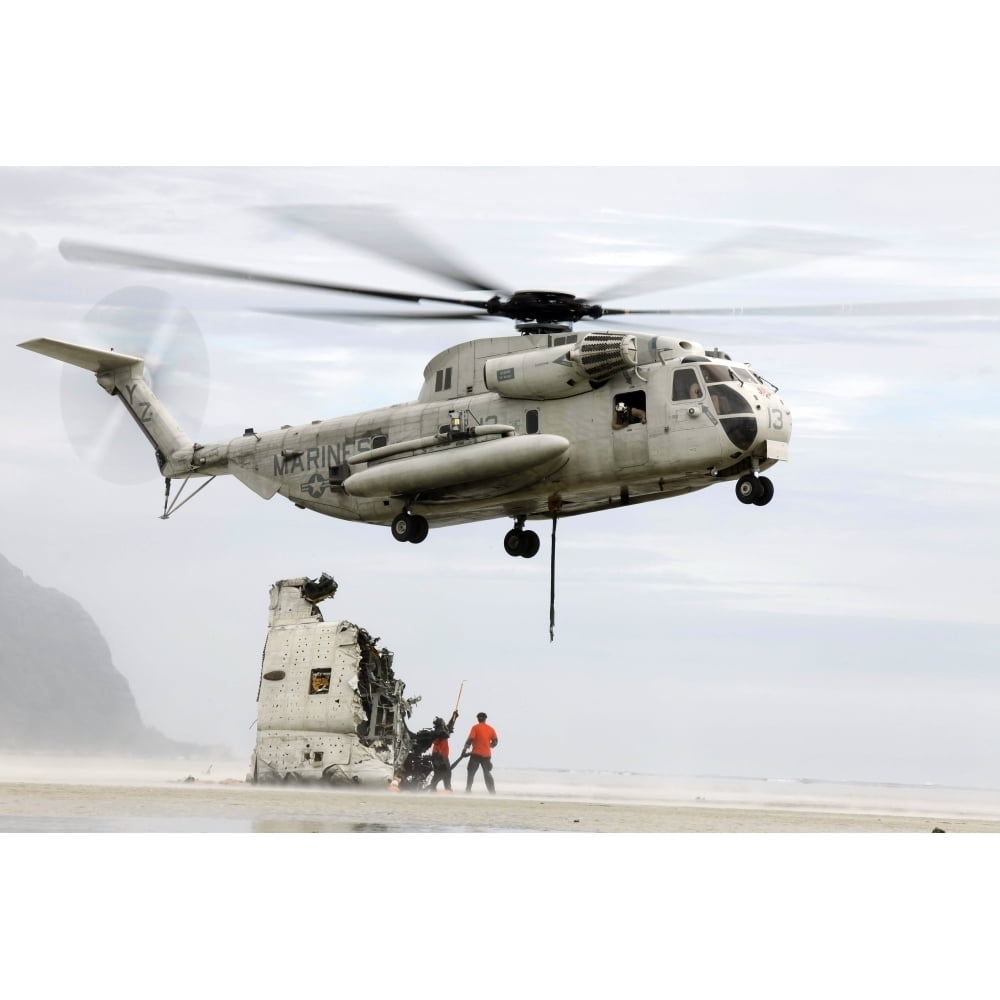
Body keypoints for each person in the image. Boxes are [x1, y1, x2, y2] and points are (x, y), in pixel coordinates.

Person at [464, 711, 499, 794]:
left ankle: (468, 790)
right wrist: (489, 746)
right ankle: (492, 792)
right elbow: (495, 741)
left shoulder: (475, 727)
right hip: (486, 755)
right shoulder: (490, 729)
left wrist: (465, 749)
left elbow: (471, 738)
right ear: (485, 719)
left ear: (478, 719)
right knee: (487, 773)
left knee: (471, 773)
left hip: (475, 754)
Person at [429, 711, 457, 792]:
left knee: (440, 774)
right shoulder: (439, 732)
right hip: (440, 756)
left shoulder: (442, 730)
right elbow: (446, 733)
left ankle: (434, 789)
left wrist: (454, 717)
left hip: (438, 756)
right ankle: (446, 789)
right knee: (445, 773)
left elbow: (450, 726)